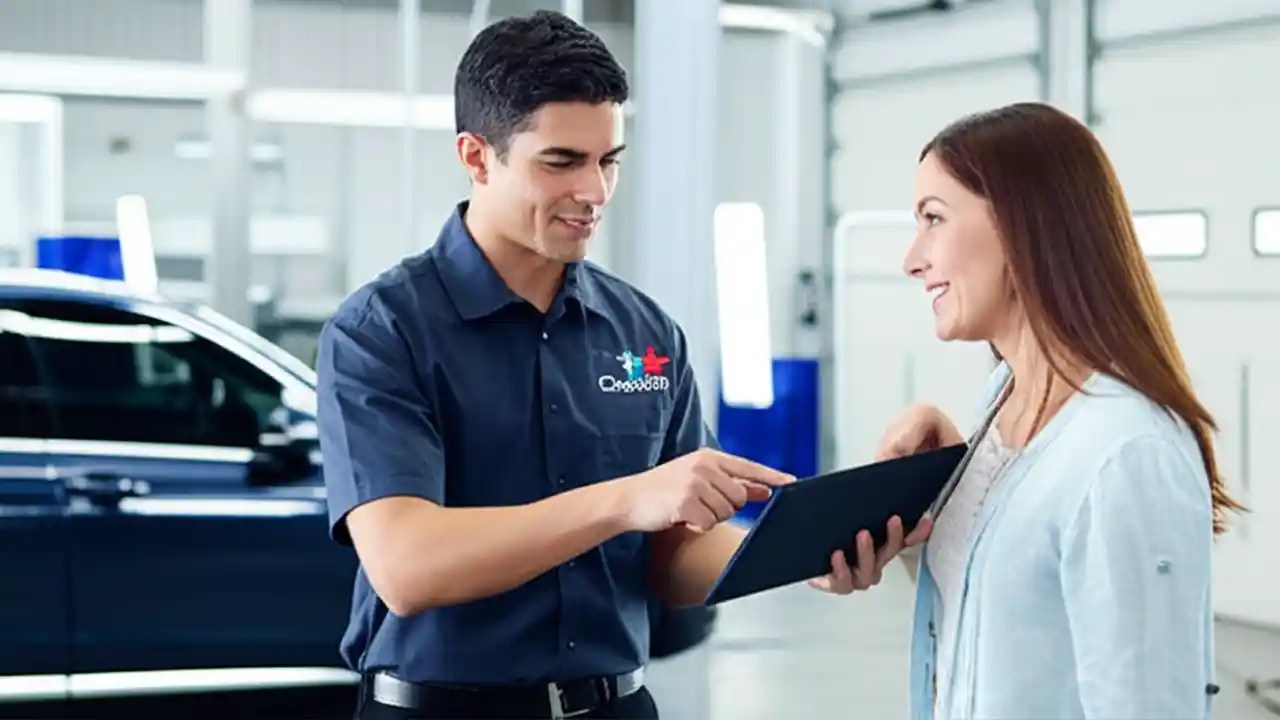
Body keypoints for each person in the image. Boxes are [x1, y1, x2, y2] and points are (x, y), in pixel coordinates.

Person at [315, 11, 917, 719]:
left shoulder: (646, 332)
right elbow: (407, 567)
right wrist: (627, 499)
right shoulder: (381, 331)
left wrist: (803, 553)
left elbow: (672, 560)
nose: (596, 192)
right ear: (477, 157)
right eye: (562, 162)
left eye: (610, 160)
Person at [873, 102, 1243, 720]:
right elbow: (996, 620)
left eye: (933, 219)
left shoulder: (1127, 452)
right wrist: (930, 497)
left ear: (1021, 226)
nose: (913, 259)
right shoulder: (1001, 400)